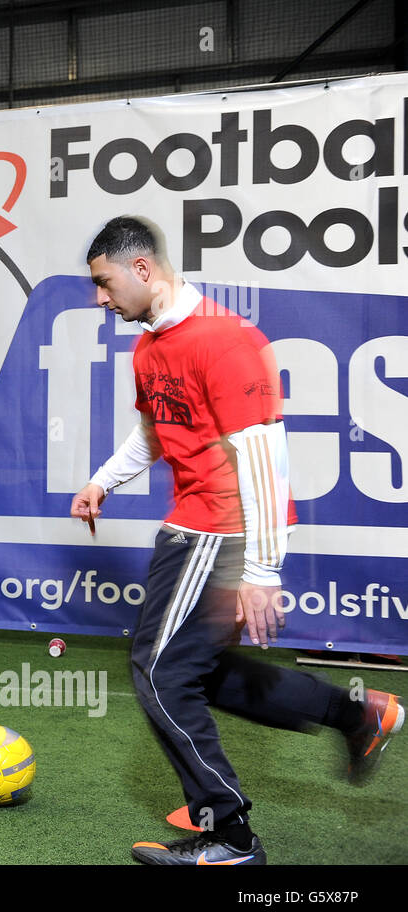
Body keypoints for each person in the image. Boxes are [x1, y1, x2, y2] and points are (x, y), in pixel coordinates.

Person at [72, 216, 402, 866]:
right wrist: (102, 481)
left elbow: (263, 458)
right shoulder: (149, 348)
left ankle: (231, 836)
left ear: (142, 269)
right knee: (200, 671)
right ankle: (357, 715)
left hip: (218, 533)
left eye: (105, 283)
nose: (99, 299)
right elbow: (155, 432)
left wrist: (261, 569)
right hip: (188, 531)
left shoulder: (224, 341)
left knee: (161, 674)